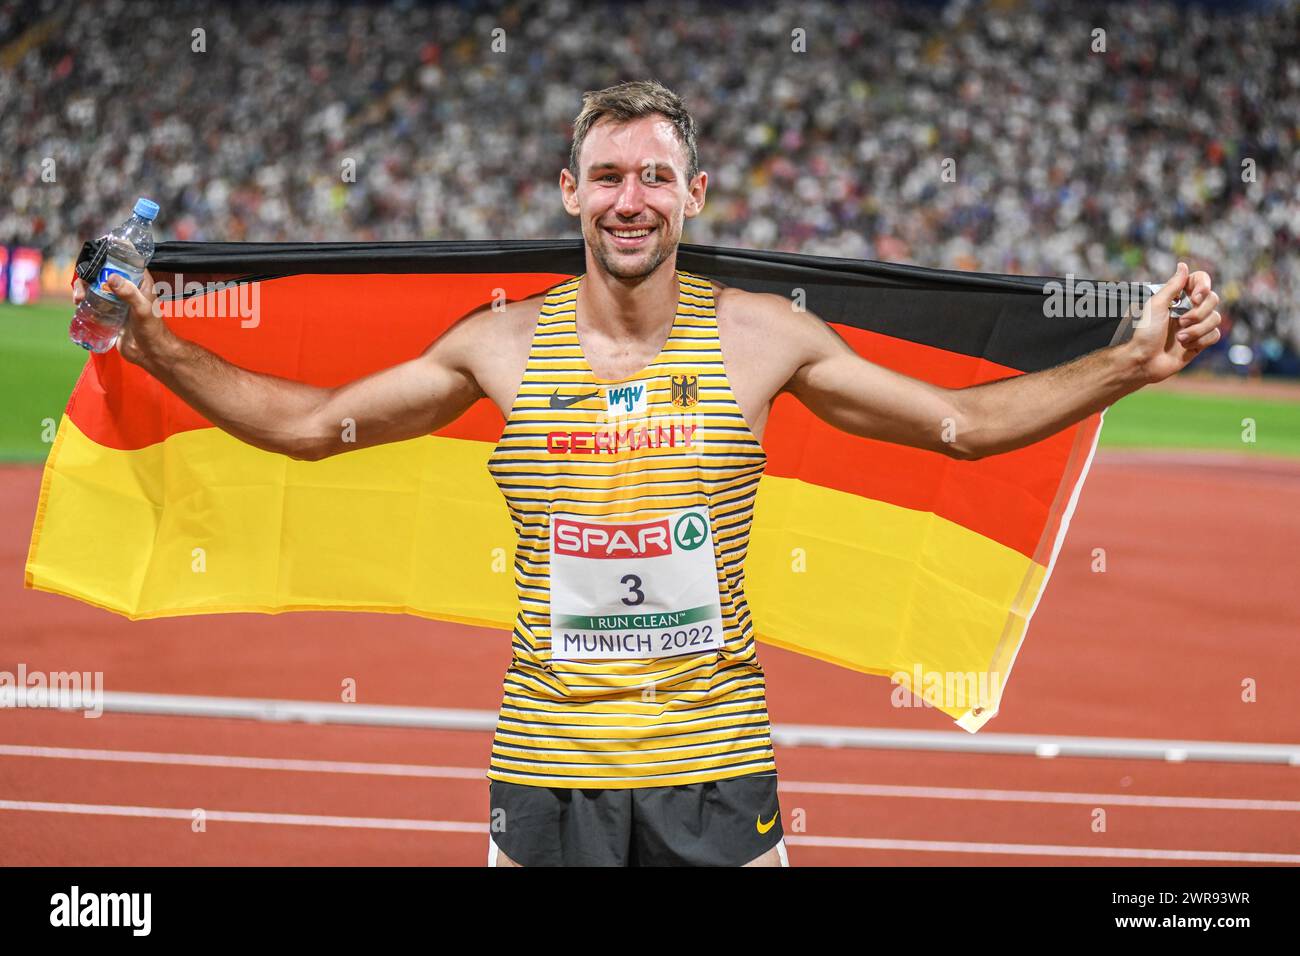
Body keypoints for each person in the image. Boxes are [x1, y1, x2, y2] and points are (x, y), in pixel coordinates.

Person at [77, 80, 1222, 867]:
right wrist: (155, 340)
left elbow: (960, 426)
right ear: (570, 191)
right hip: (548, 764)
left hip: (715, 766)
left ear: (694, 195)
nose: (632, 198)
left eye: (656, 177)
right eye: (609, 175)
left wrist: (1129, 360)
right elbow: (314, 424)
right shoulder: (500, 343)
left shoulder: (764, 336)